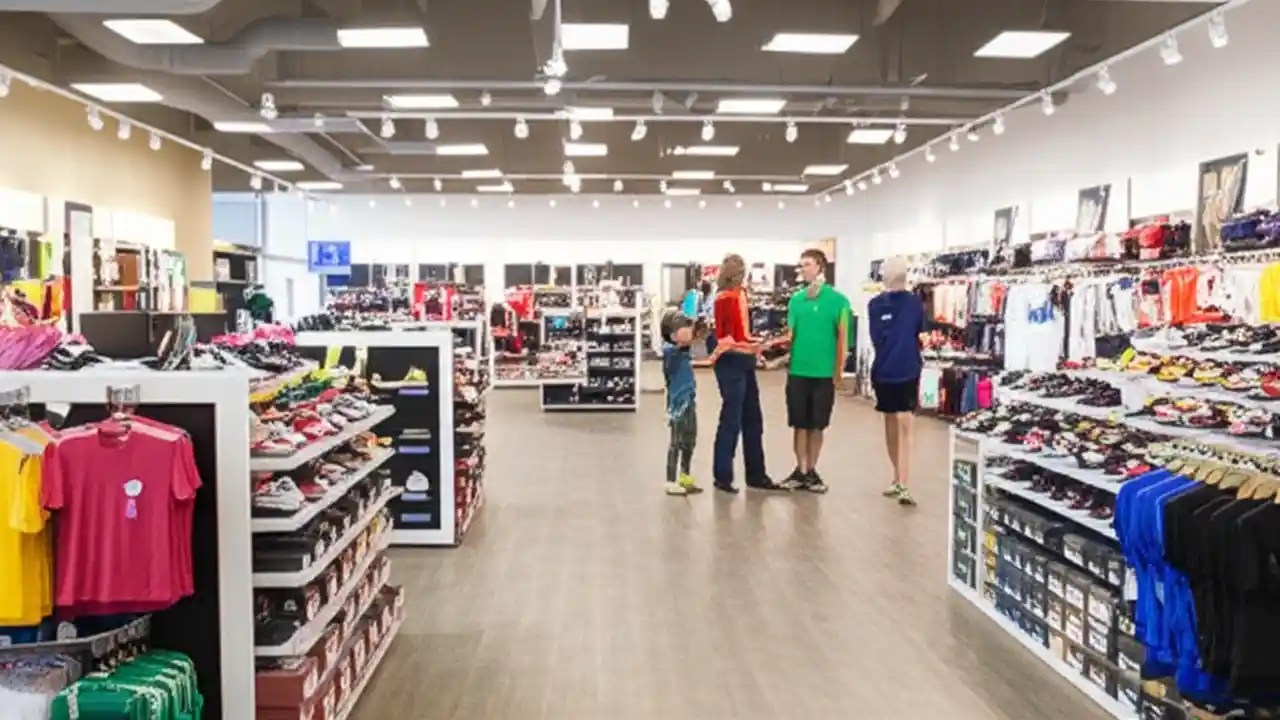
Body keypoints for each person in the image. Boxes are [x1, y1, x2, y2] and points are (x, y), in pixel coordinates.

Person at [710, 254, 782, 493]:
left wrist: (754, 345)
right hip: (735, 361)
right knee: (739, 419)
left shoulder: (727, 296)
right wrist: (758, 345)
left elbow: (733, 335)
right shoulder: (732, 297)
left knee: (743, 418)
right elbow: (733, 337)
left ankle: (739, 475)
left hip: (735, 360)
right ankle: (738, 475)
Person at [780, 249, 850, 493]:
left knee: (817, 425)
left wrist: (839, 372)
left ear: (820, 266)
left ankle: (812, 470)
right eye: (801, 265)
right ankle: (800, 469)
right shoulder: (796, 300)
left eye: (807, 265)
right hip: (799, 371)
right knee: (799, 424)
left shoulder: (839, 301)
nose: (803, 269)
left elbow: (843, 339)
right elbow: (791, 336)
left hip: (823, 374)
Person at [868, 256, 923, 506]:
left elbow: (878, 336)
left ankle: (902, 480)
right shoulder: (906, 304)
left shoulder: (907, 303)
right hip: (893, 370)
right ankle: (899, 479)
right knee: (896, 421)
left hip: (896, 369)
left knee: (900, 421)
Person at [661, 309, 709, 496]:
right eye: (685, 327)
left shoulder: (684, 351)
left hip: (689, 399)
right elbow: (670, 369)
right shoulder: (671, 352)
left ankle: (685, 476)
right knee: (677, 441)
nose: (690, 330)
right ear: (674, 334)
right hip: (678, 403)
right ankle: (670, 479)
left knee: (690, 440)